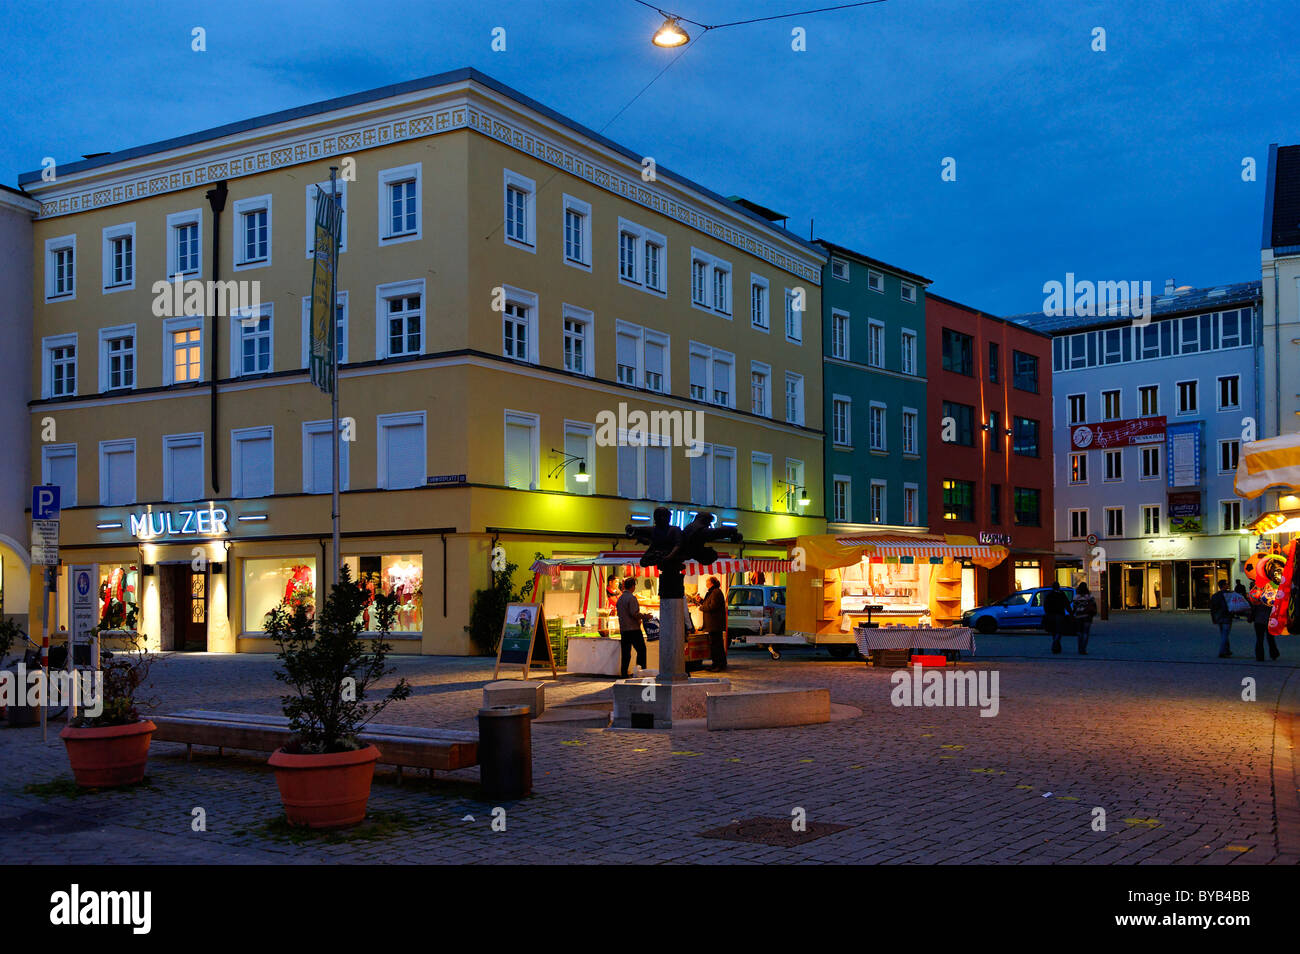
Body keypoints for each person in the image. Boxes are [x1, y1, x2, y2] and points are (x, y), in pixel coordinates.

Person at [615, 577, 647, 678]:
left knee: (626, 653)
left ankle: (624, 673)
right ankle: (640, 671)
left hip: (624, 629)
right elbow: (634, 613)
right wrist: (645, 616)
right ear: (633, 586)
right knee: (641, 650)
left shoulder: (620, 599)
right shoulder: (631, 598)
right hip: (633, 629)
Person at [701, 576, 728, 672]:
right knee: (716, 644)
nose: (706, 584)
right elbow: (709, 604)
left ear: (711, 583)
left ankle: (719, 665)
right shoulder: (713, 592)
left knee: (716, 645)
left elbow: (712, 606)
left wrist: (702, 608)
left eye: (707, 582)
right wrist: (701, 601)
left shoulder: (716, 592)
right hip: (713, 624)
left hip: (715, 624)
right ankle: (717, 664)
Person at [1251, 591, 1280, 662]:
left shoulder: (1257, 601)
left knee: (1259, 639)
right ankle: (1274, 654)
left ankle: (1260, 656)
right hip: (1268, 621)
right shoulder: (1271, 601)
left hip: (1258, 621)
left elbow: (1253, 611)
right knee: (1270, 638)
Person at [1042, 581, 1070, 654]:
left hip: (1050, 615)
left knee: (1054, 631)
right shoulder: (1062, 594)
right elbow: (1067, 604)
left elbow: (1045, 605)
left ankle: (1056, 646)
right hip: (1060, 614)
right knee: (1059, 631)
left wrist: (1047, 613)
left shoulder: (1049, 595)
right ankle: (1055, 644)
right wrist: (1071, 612)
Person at [1071, 582, 1098, 655]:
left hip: (1078, 617)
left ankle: (1079, 648)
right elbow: (1094, 607)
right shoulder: (1090, 597)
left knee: (1079, 633)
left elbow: (1074, 608)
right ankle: (1084, 648)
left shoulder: (1075, 597)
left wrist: (1072, 615)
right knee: (1086, 633)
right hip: (1087, 616)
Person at [1210, 579, 1233, 658]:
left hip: (1218, 617)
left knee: (1224, 634)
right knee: (1225, 634)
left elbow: (1212, 609)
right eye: (1226, 584)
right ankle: (1222, 651)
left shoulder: (1215, 596)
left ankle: (1227, 650)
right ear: (1223, 585)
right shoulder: (1229, 595)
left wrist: (1213, 618)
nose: (1228, 585)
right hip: (1226, 617)